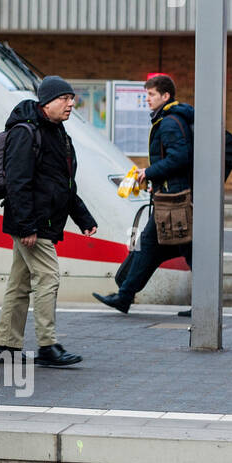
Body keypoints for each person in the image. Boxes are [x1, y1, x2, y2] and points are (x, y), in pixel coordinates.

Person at [0, 76, 97, 367]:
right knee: (49, 277)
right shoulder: (25, 133)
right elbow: (18, 183)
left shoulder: (58, 133)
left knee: (19, 283)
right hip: (32, 223)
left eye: (71, 98)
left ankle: (7, 344)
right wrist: (26, 226)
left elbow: (63, 183)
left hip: (43, 220)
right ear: (46, 102)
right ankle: (48, 345)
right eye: (64, 98)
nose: (70, 104)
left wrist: (82, 217)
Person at [94, 74, 195, 312]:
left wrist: (148, 172)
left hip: (173, 200)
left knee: (180, 249)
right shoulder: (171, 119)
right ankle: (125, 295)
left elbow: (179, 158)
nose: (146, 99)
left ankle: (125, 296)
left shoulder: (169, 122)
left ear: (165, 96)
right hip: (171, 196)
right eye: (146, 94)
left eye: (151, 94)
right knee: (154, 246)